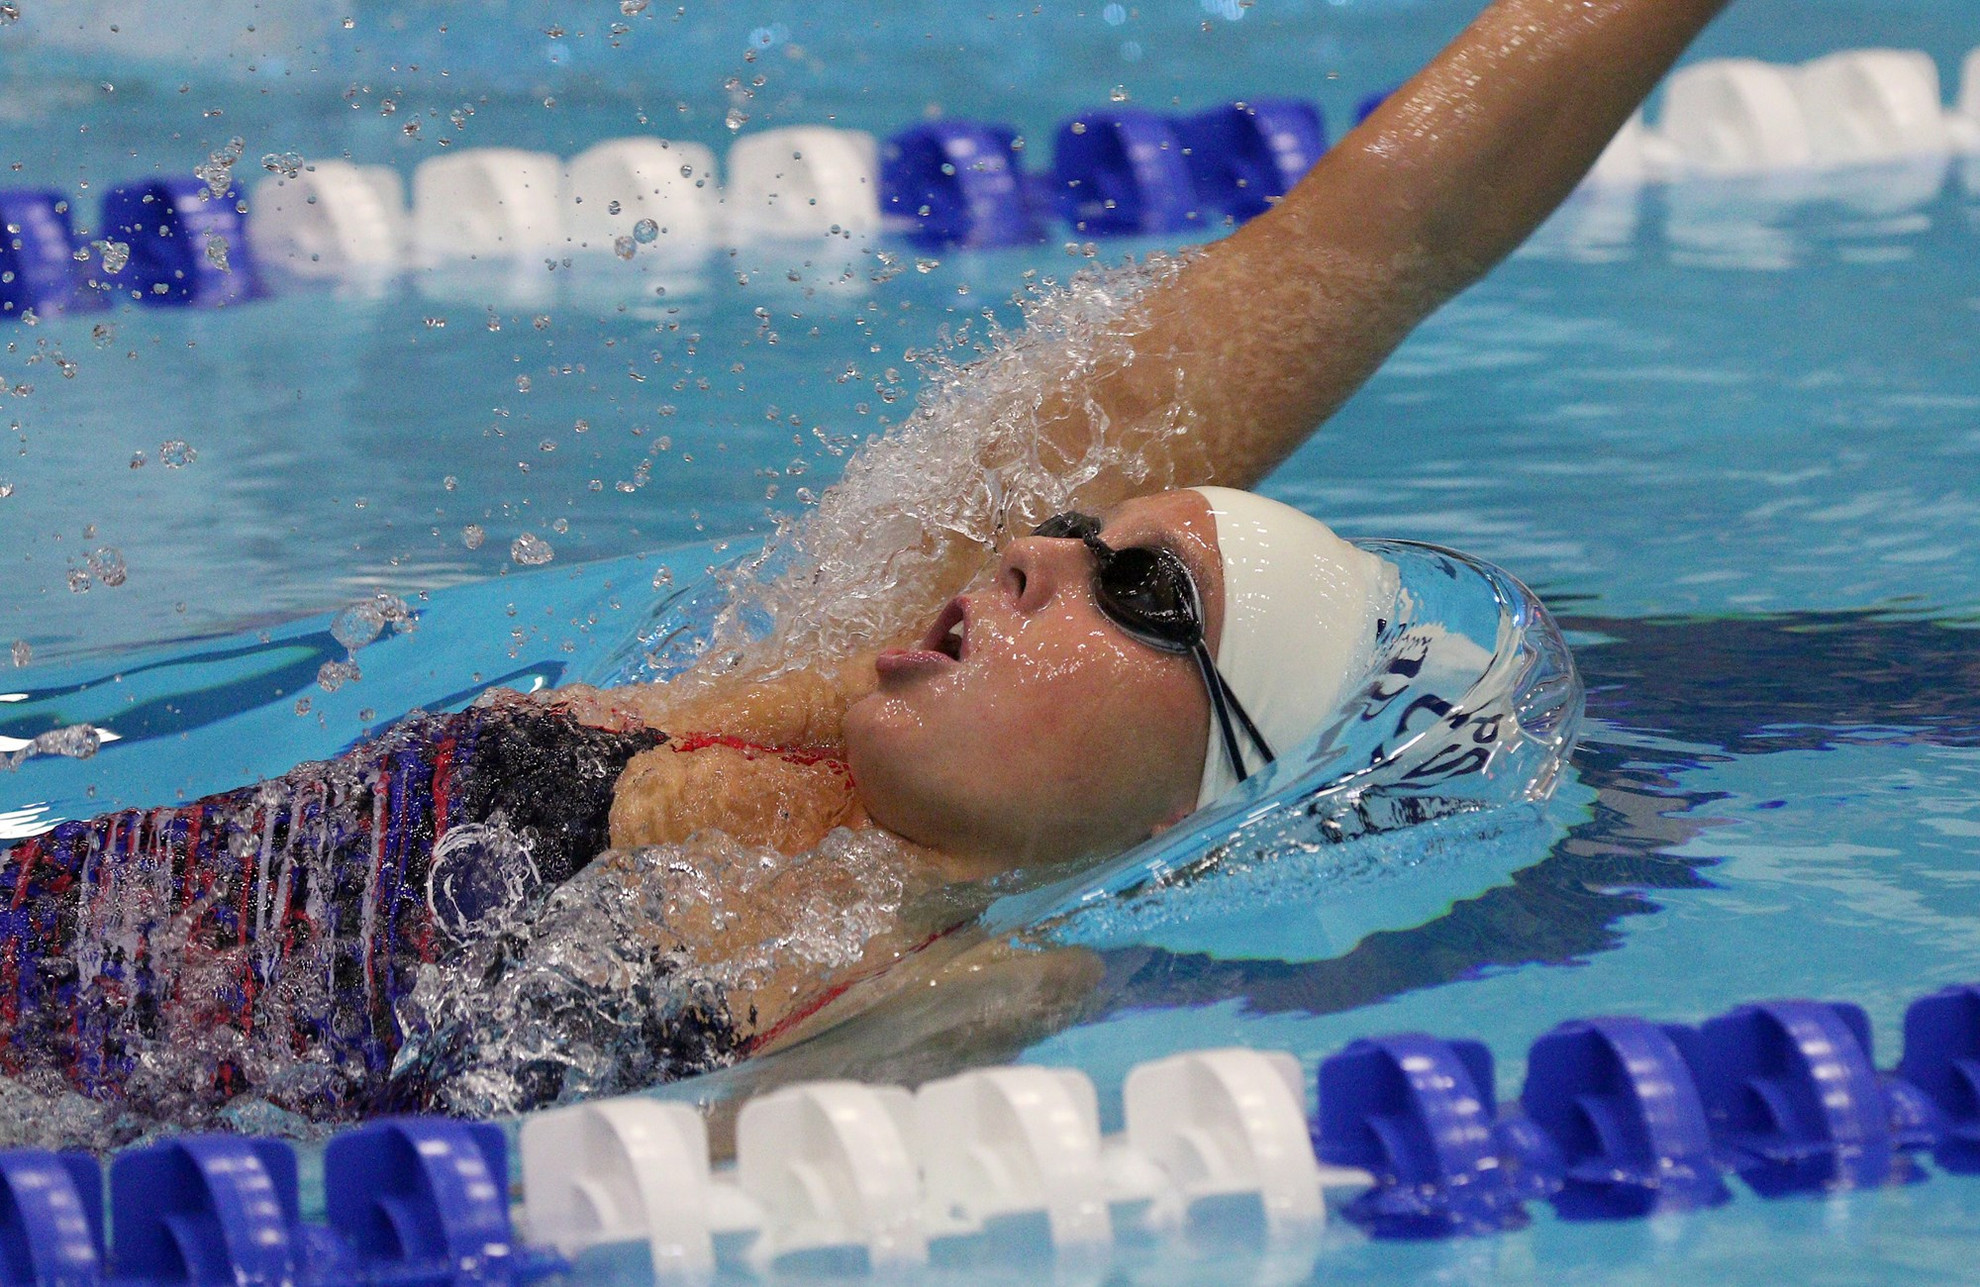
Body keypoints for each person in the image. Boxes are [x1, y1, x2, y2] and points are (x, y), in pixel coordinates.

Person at [1, 0, 1734, 1122]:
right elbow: (1376, 239)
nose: (1036, 561)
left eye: (1142, 598)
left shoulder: (957, 991)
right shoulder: (799, 679)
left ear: (1188, 806)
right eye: (1066, 534)